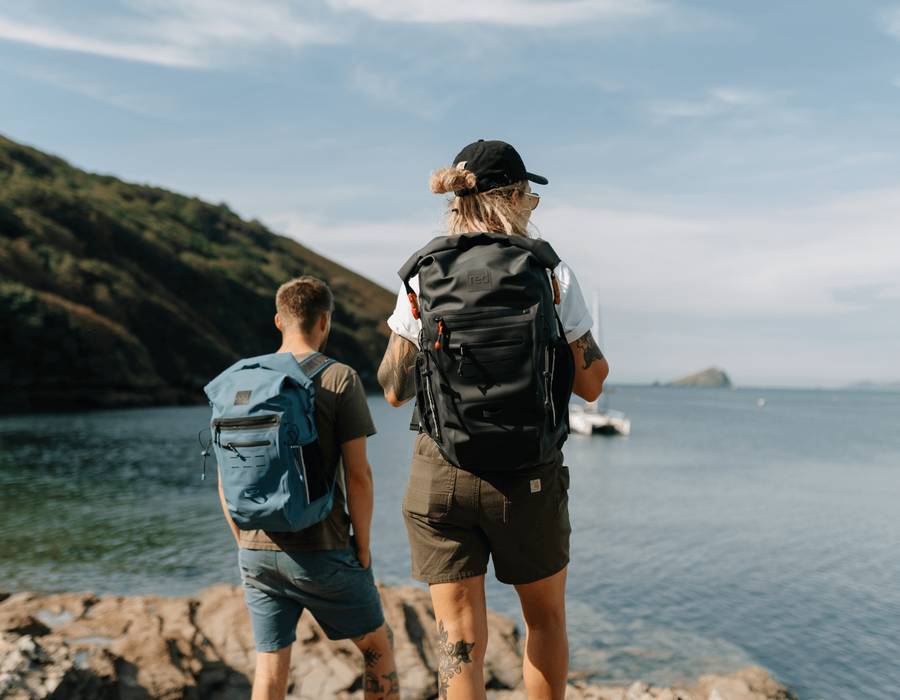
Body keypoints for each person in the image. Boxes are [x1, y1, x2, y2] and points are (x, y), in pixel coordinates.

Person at [378, 140, 608, 700]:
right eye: (528, 192)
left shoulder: (424, 274)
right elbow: (592, 385)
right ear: (509, 196)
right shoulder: (548, 270)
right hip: (526, 473)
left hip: (441, 472)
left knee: (457, 635)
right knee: (545, 619)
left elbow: (391, 388)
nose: (533, 203)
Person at [217, 275, 398, 700]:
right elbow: (359, 476)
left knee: (269, 668)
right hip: (323, 548)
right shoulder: (339, 378)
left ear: (279, 320)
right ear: (325, 322)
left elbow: (226, 478)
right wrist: (363, 546)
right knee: (377, 649)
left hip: (256, 551)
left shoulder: (240, 381)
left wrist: (243, 541)